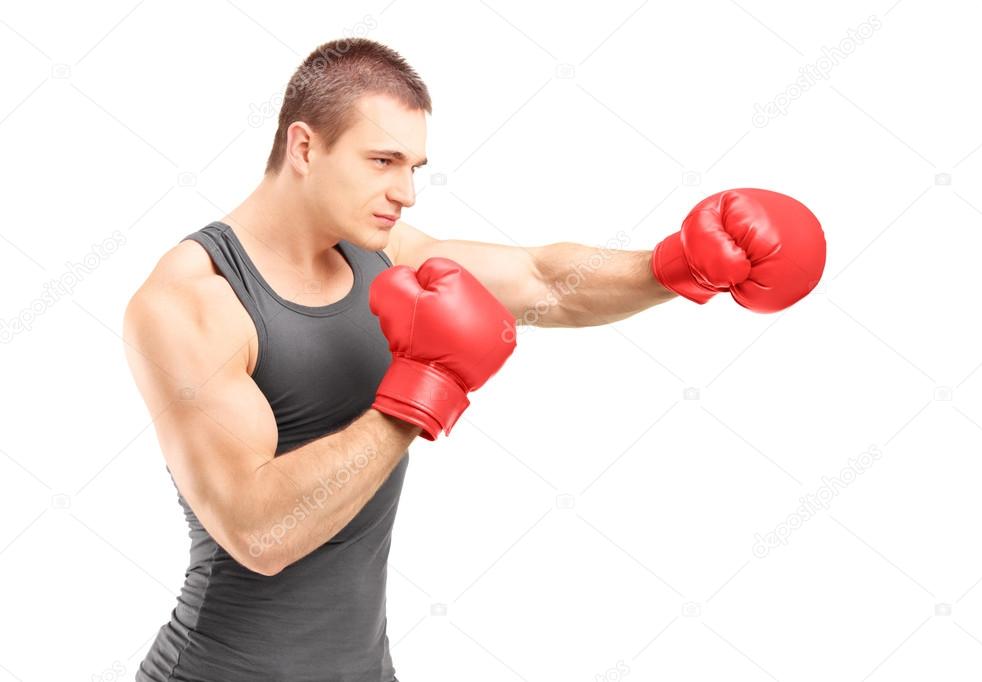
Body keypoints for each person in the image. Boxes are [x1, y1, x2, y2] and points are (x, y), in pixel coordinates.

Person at [123, 37, 825, 682]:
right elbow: (257, 532)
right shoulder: (192, 299)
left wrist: (681, 266)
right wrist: (423, 388)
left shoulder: (377, 253)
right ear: (304, 147)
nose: (405, 191)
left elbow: (547, 281)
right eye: (382, 161)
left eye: (413, 166)